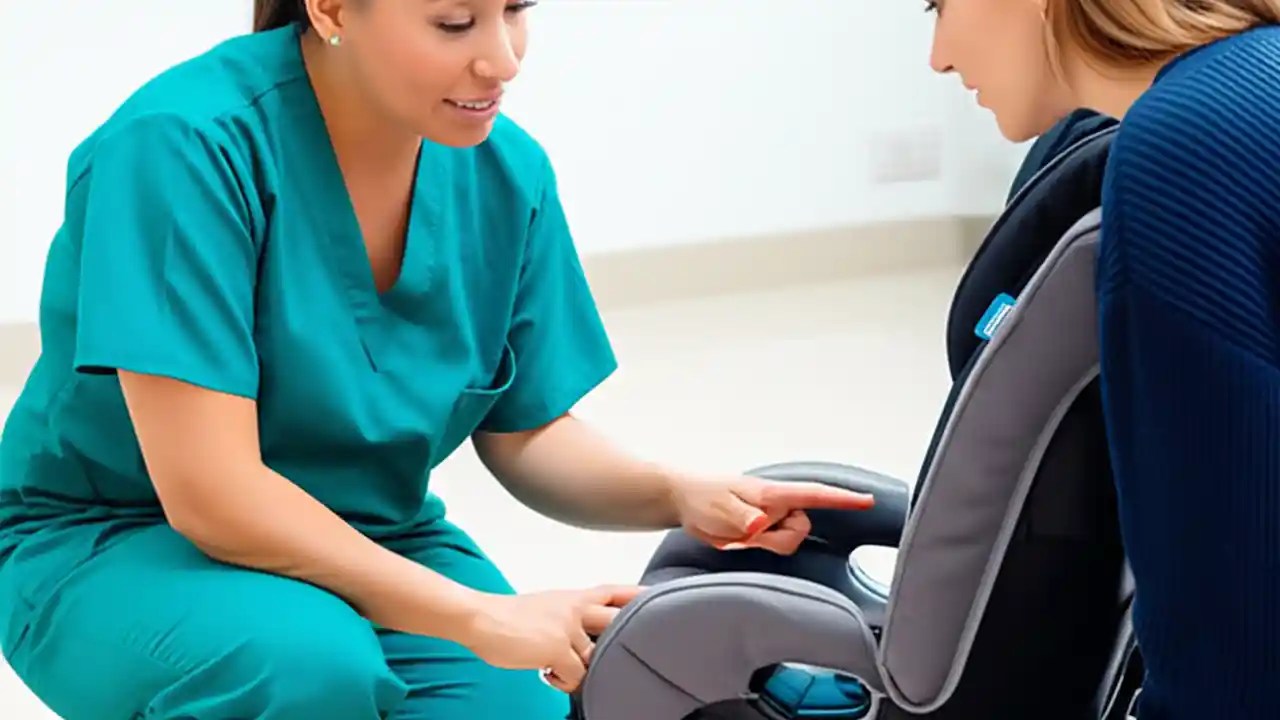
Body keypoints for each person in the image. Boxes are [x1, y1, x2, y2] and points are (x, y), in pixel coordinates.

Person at [0, 2, 876, 718]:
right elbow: (213, 495)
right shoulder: (182, 146)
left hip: (374, 533)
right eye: (455, 23)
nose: (503, 60)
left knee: (526, 701)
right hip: (112, 537)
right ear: (330, 9)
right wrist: (477, 615)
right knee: (307, 670)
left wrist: (678, 494)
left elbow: (528, 433)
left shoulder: (506, 172)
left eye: (516, 11)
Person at [924, 1, 1280, 718]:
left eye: (938, 5)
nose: (938, 56)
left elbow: (1231, 655)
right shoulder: (1252, 80)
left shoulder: (1185, 151)